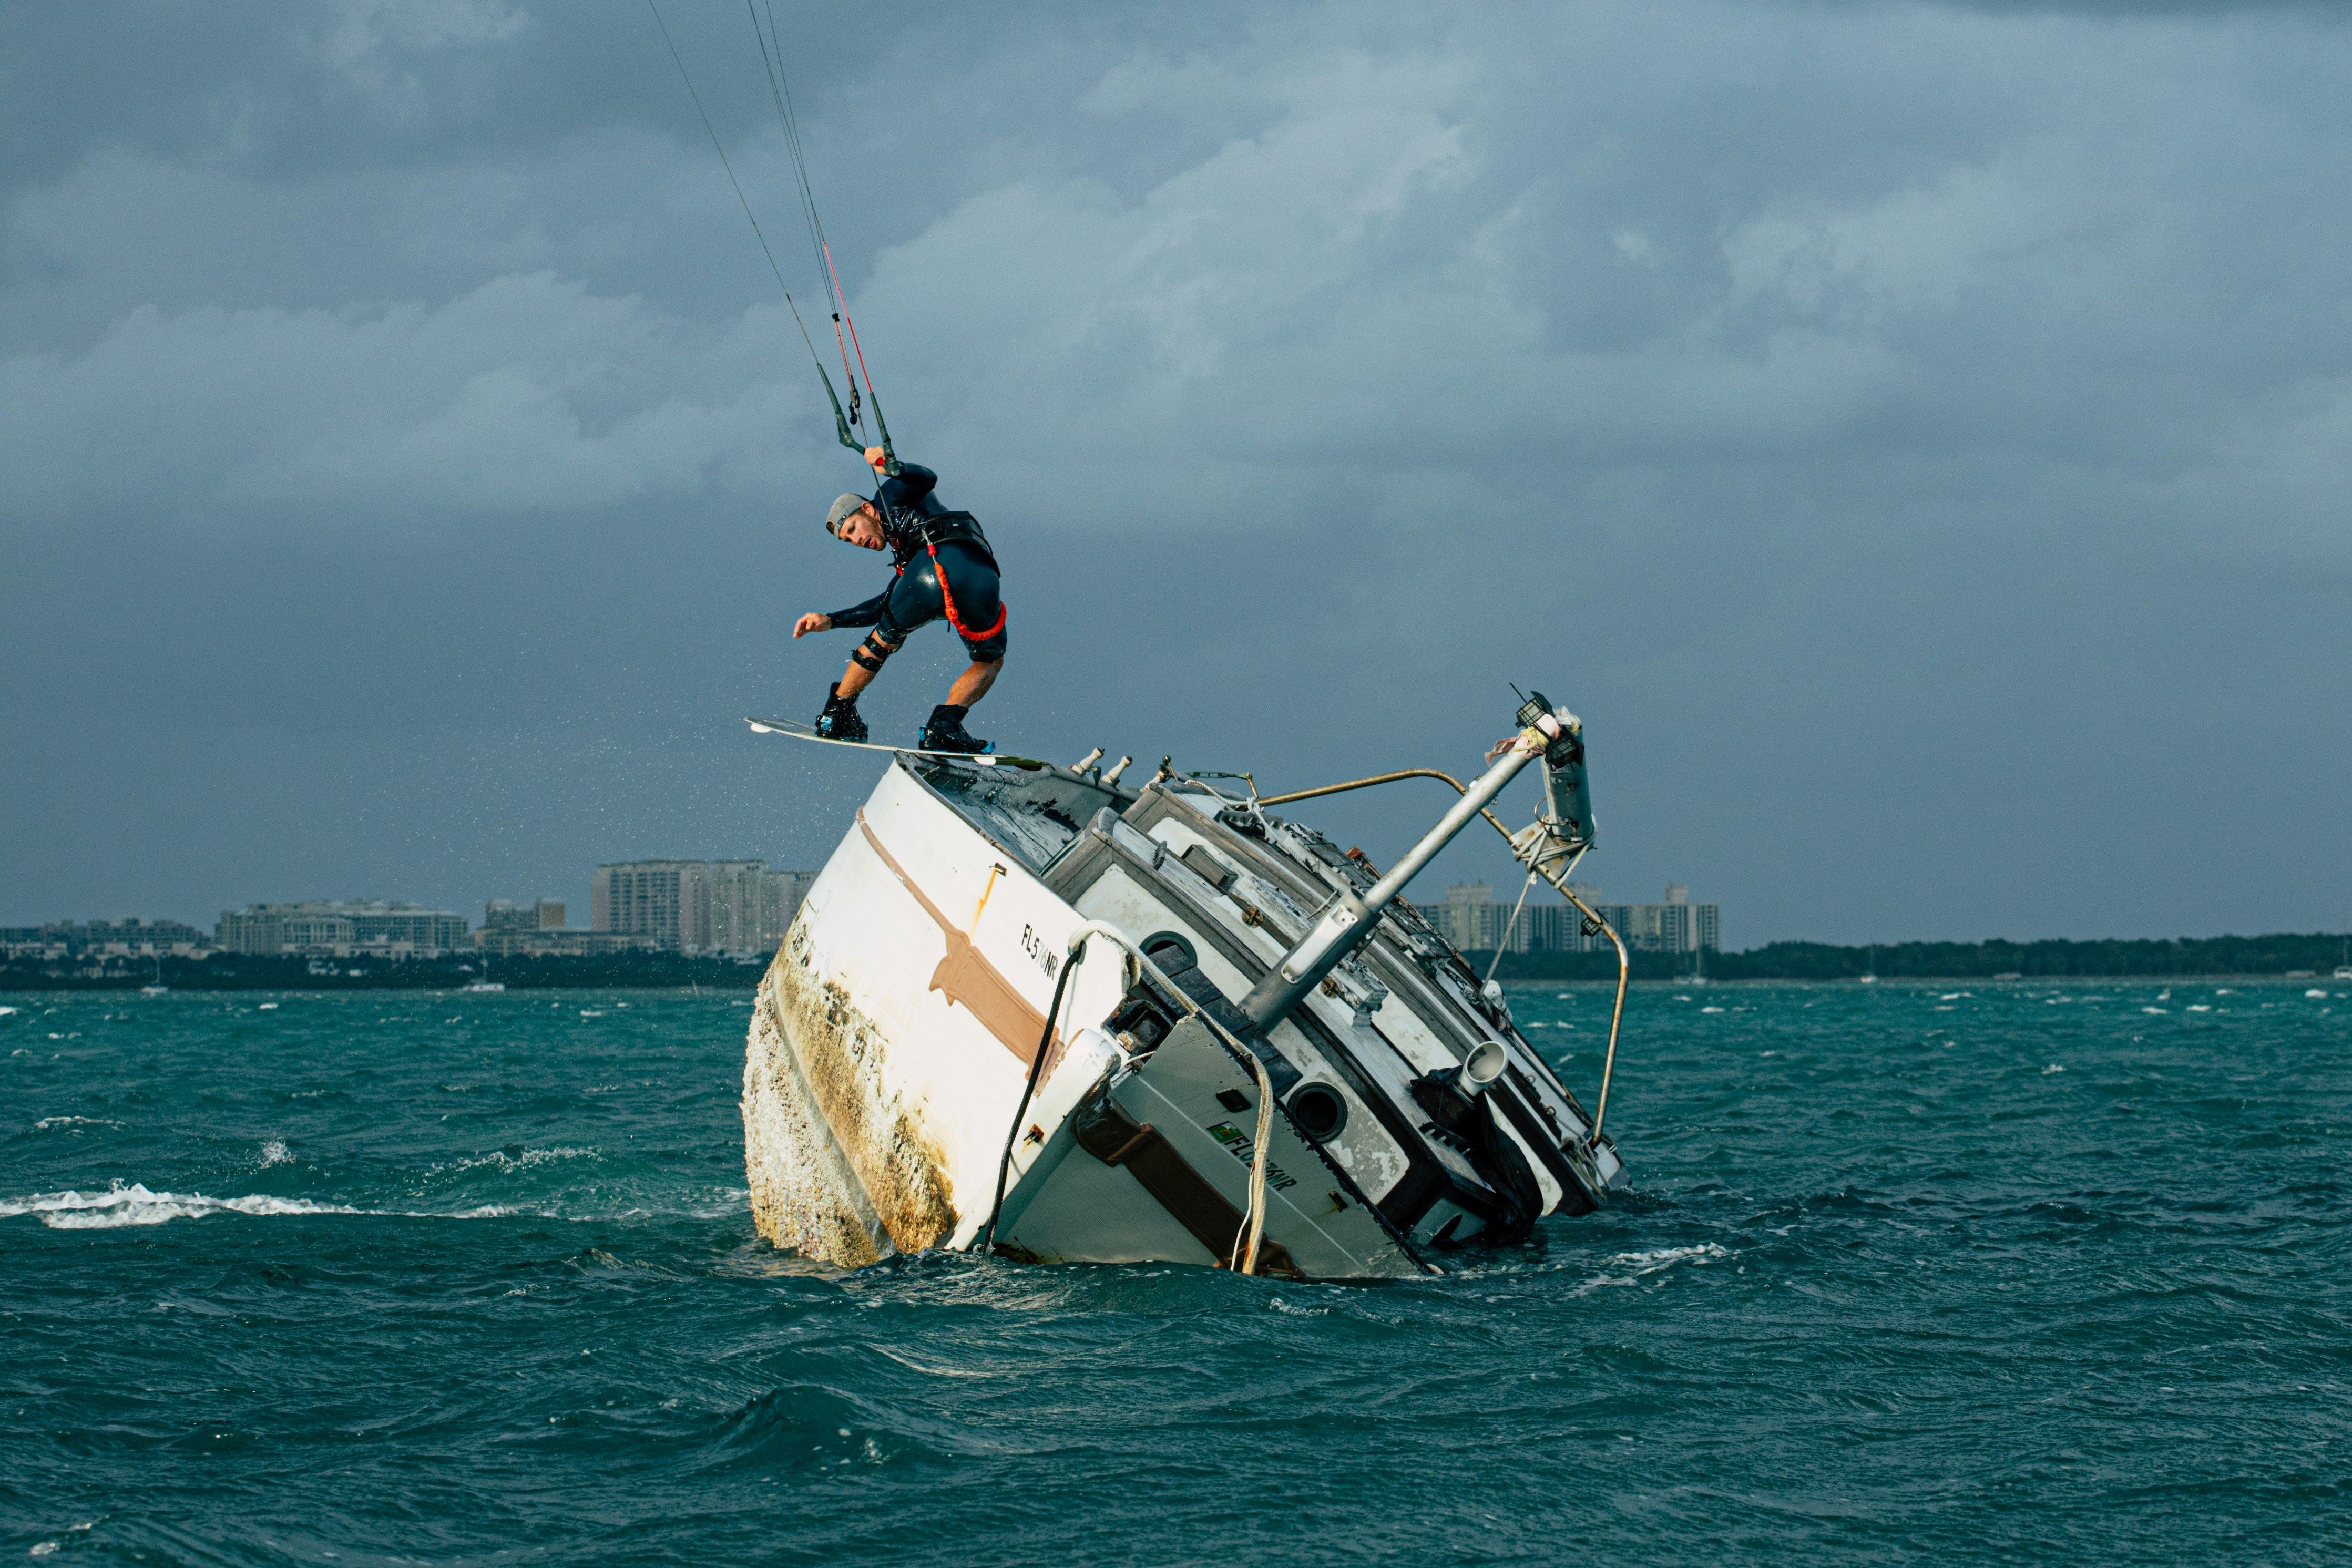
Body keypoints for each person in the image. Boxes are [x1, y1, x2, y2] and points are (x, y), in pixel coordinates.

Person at [793, 446, 1006, 753]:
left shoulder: (888, 498)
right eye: (848, 540)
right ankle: (943, 728)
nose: (857, 541)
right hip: (980, 575)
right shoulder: (906, 549)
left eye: (853, 528)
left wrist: (892, 467)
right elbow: (888, 603)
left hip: (939, 560)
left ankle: (836, 714)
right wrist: (832, 620)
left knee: (884, 638)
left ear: (867, 510)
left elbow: (926, 478)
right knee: (990, 658)